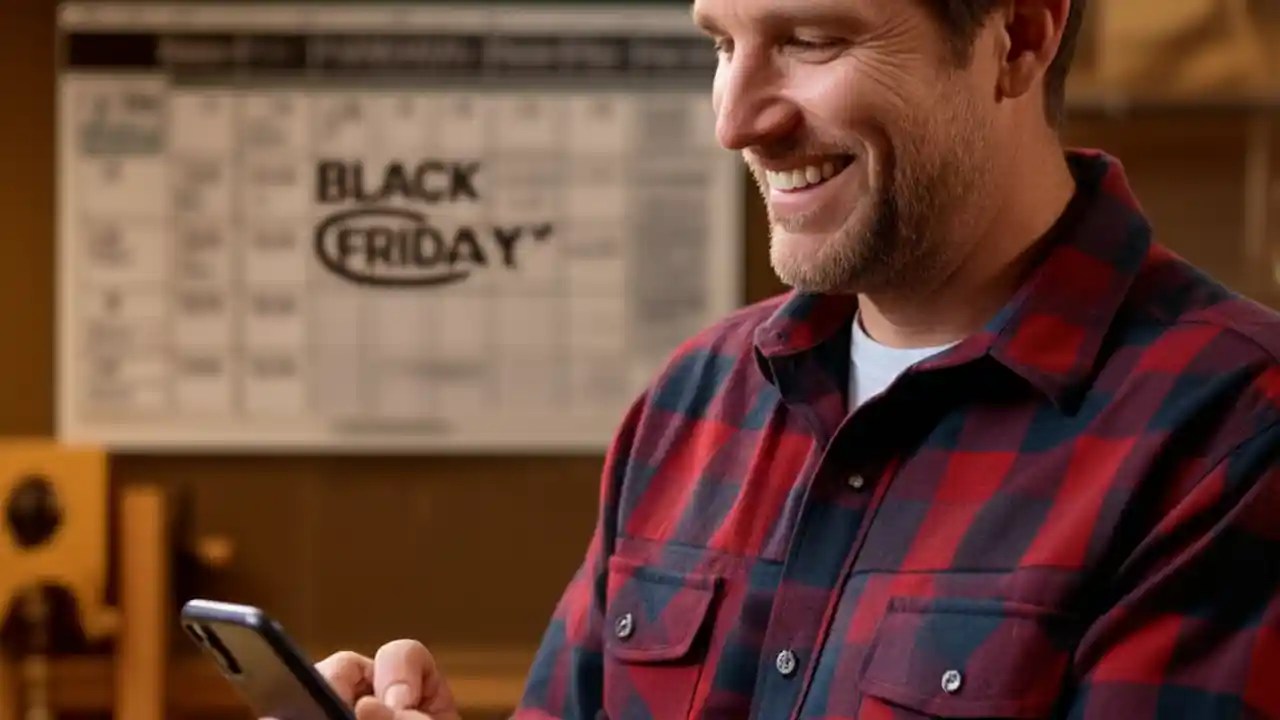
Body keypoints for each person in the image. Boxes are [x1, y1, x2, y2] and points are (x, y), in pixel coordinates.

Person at [307, 0, 1280, 717]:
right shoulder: (696, 400)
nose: (735, 121)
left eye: (810, 41)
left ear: (1018, 39)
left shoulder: (1234, 432)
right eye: (722, 45)